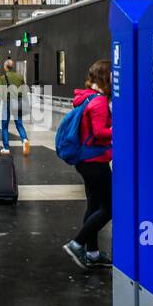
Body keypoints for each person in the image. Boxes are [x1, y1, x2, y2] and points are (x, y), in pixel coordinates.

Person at [62, 59, 114, 268]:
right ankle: (77, 243)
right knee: (109, 208)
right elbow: (99, 132)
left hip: (86, 160)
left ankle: (92, 254)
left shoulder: (88, 97)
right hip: (95, 162)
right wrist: (121, 128)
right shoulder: (100, 101)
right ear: (106, 76)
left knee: (94, 206)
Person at [0, 58, 30, 156]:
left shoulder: (3, 77)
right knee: (19, 124)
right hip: (18, 103)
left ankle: (6, 148)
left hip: (7, 102)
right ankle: (24, 140)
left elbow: (0, 92)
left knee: (4, 125)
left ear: (6, 67)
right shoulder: (20, 77)